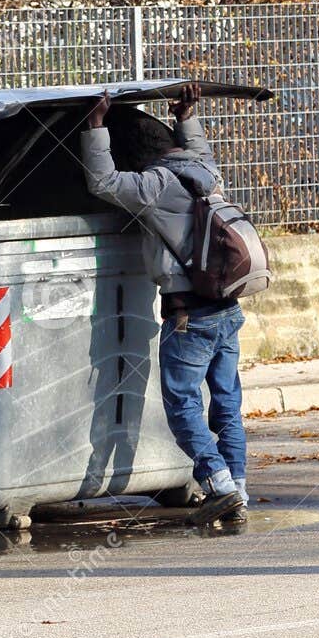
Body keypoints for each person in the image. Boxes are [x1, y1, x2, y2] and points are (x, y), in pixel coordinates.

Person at [81, 83, 248, 525]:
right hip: (228, 310)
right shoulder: (205, 169)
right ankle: (239, 486)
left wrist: (96, 129)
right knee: (226, 402)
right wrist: (186, 116)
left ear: (137, 156)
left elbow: (102, 182)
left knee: (182, 404)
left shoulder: (154, 183)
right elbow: (194, 144)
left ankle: (218, 483)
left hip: (188, 316)